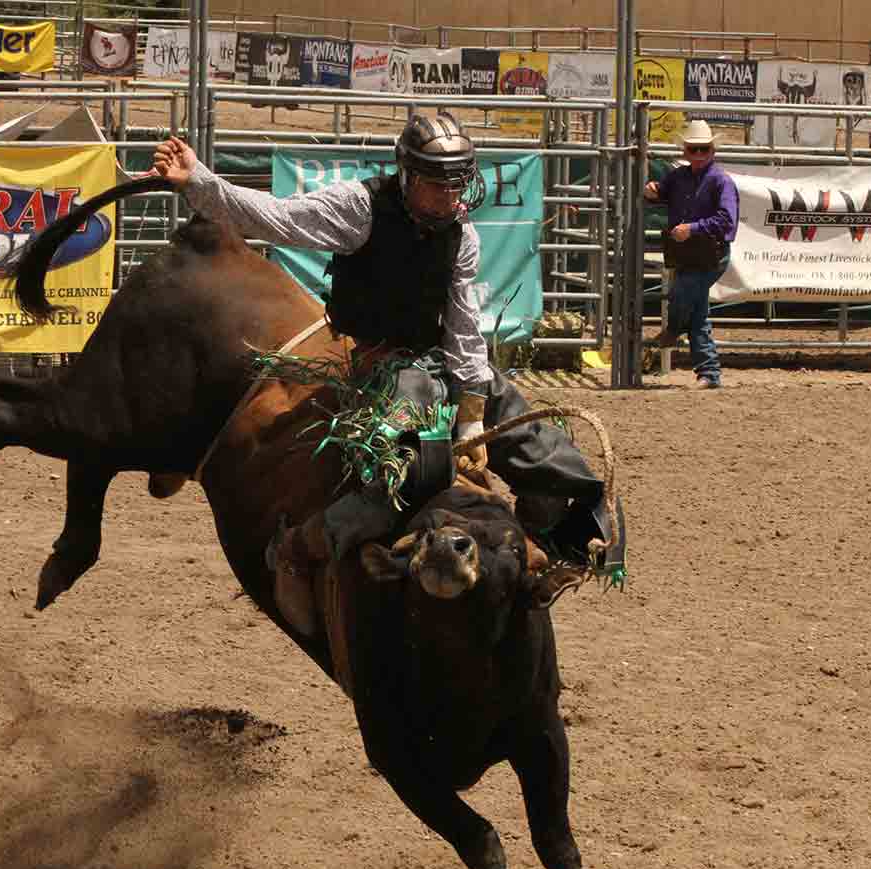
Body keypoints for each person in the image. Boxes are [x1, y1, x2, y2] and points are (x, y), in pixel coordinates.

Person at [150, 111, 619, 570]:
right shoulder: (361, 208)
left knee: (532, 432)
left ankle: (562, 542)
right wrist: (199, 180)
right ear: (409, 176)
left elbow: (463, 326)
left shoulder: (461, 235)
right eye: (439, 182)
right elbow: (276, 218)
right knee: (417, 456)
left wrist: (474, 411)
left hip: (437, 356)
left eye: (457, 183)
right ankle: (315, 538)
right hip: (380, 362)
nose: (450, 195)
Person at [642, 118, 738, 389]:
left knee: (683, 291)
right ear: (685, 151)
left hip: (710, 254)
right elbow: (661, 192)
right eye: (693, 149)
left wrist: (693, 228)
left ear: (712, 151)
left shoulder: (721, 181)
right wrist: (653, 190)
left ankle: (673, 329)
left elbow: (727, 221)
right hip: (687, 253)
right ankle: (709, 373)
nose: (698, 155)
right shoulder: (678, 177)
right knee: (697, 311)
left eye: (703, 149)